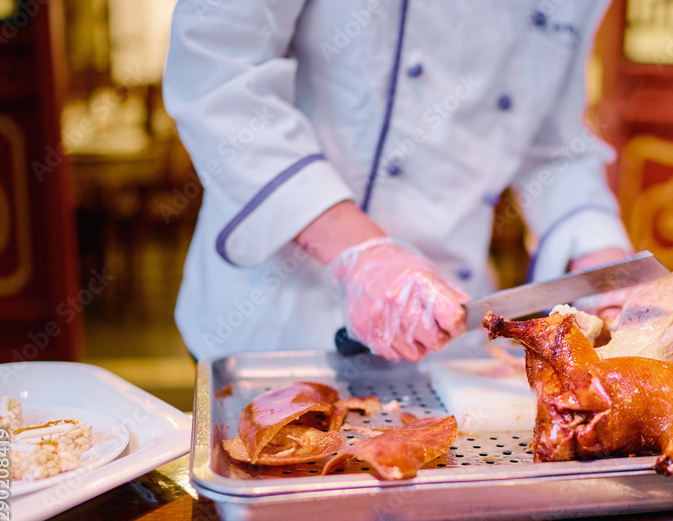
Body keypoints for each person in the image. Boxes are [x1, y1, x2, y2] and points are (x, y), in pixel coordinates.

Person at [163, 1, 633, 362]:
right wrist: (363, 256)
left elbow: (552, 145)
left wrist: (607, 265)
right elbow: (218, 76)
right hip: (279, 316)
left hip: (447, 331)